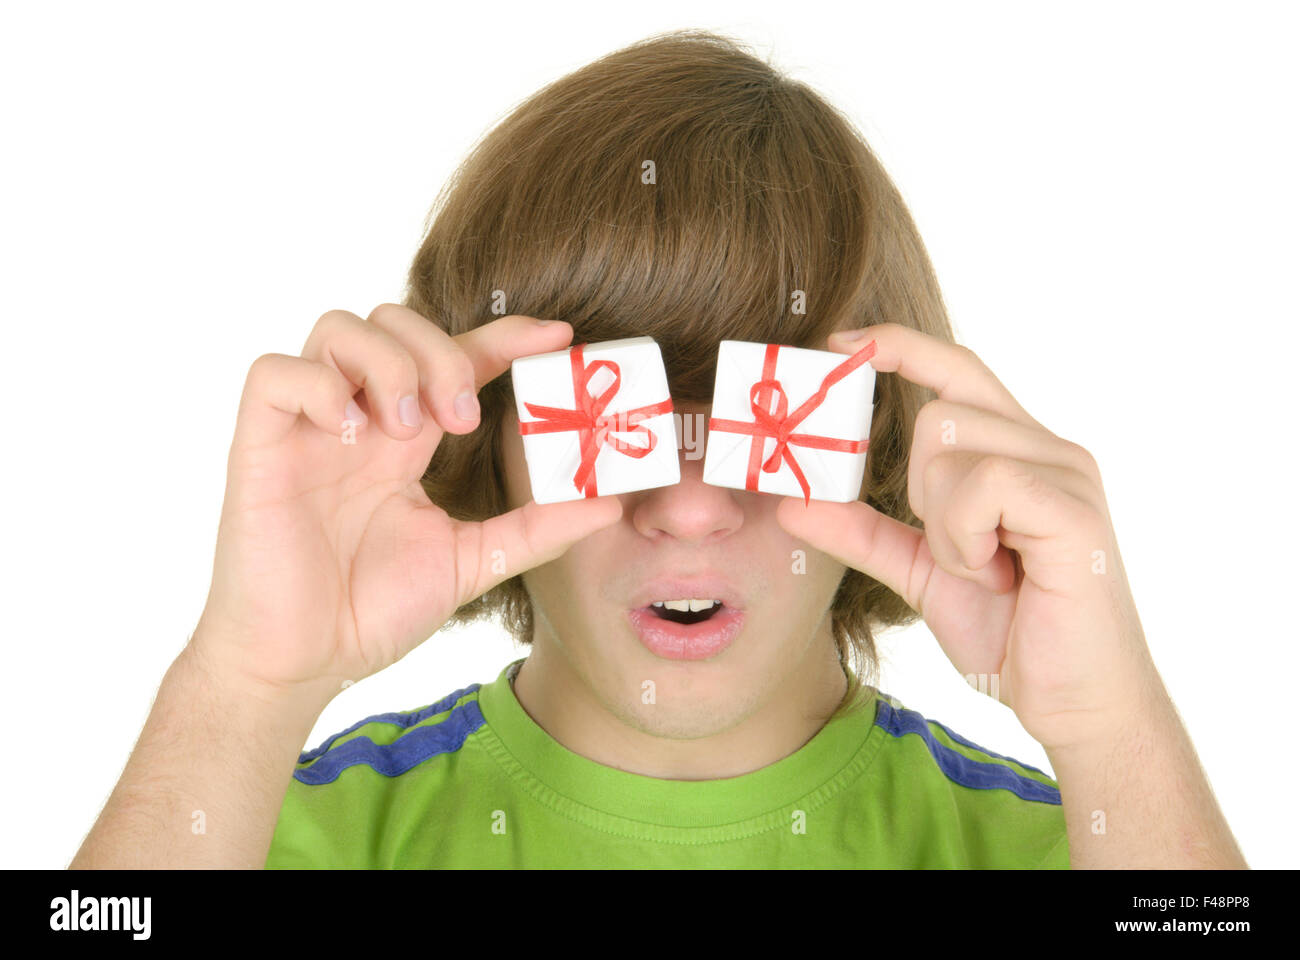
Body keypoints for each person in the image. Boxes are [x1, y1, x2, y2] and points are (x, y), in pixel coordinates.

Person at [71, 29, 1245, 869]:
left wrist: (1112, 730)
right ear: (489, 436)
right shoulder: (251, 831)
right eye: (608, 420)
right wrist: (241, 685)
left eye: (769, 418)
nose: (687, 511)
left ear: (880, 443)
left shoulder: (1090, 847)